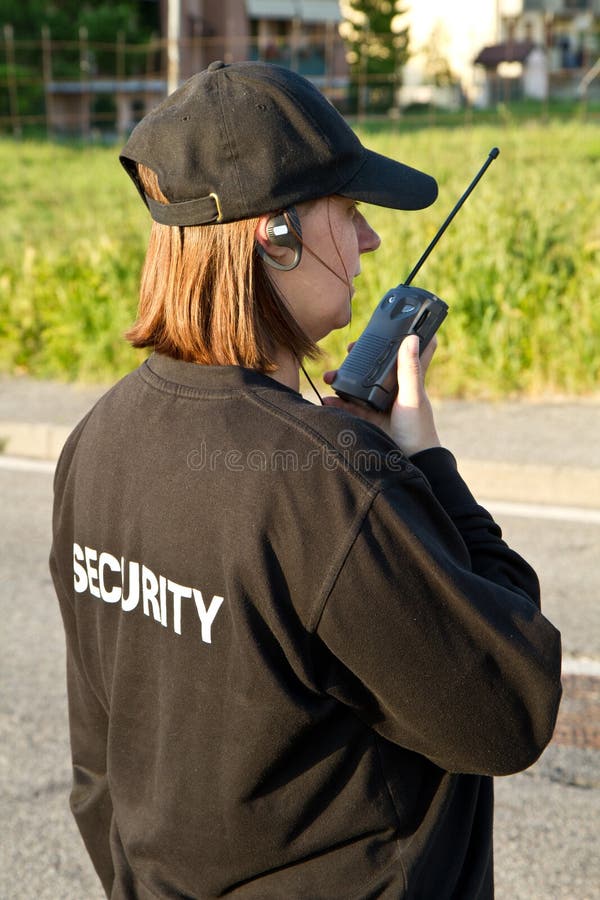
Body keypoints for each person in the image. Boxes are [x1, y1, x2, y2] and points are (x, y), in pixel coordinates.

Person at [50, 61, 561, 900]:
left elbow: (98, 763)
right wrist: (425, 463)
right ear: (275, 234)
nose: (370, 242)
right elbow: (510, 709)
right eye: (351, 213)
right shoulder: (329, 486)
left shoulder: (96, 439)